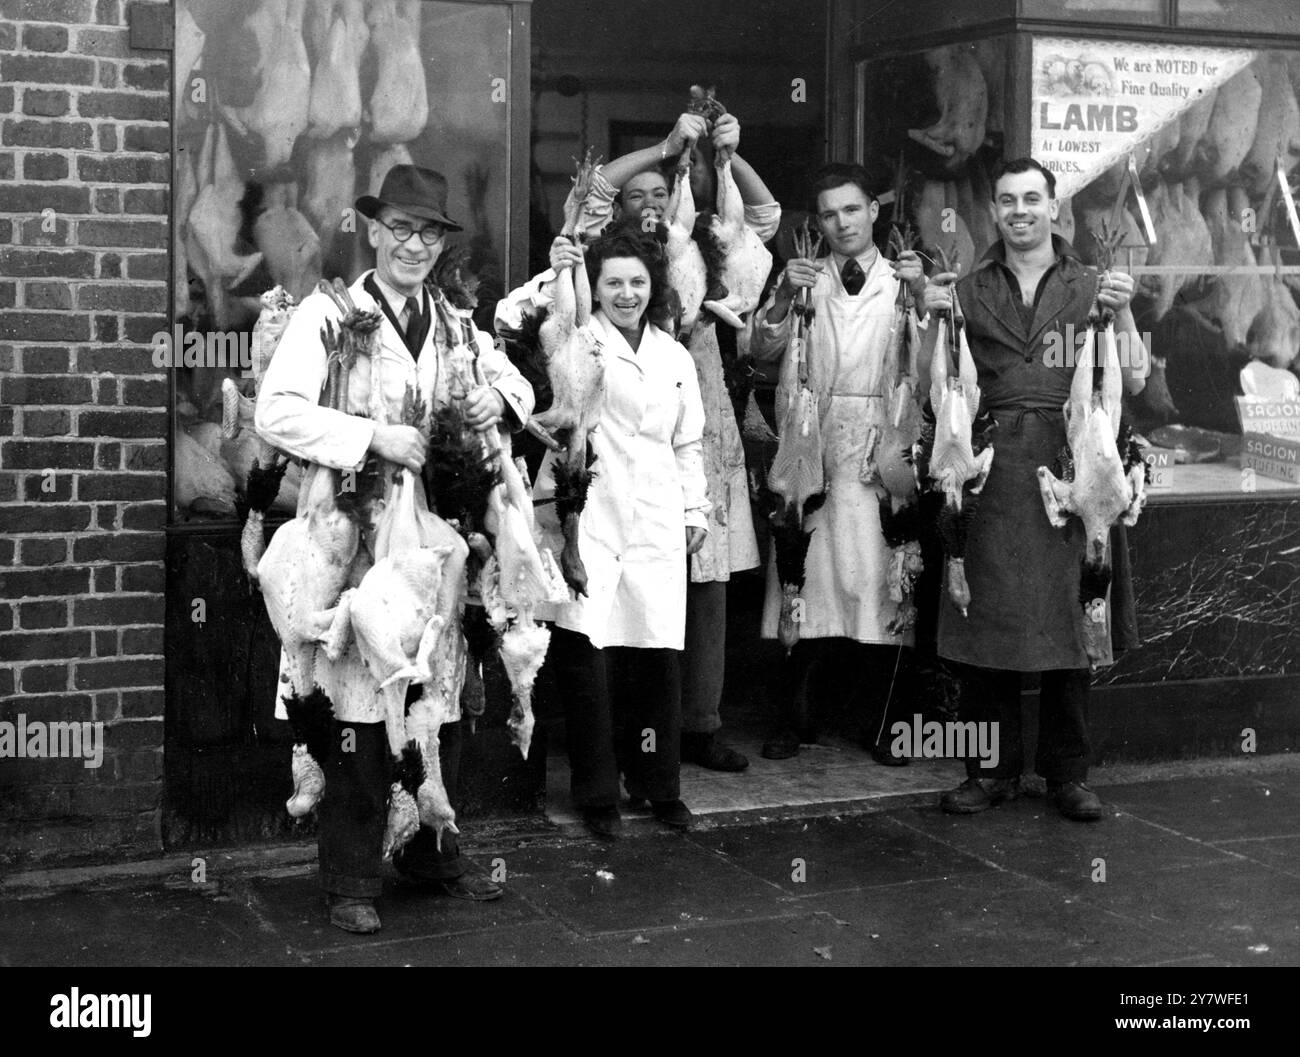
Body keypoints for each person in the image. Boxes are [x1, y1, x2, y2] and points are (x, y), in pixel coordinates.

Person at [255, 164, 535, 933]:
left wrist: (497, 398)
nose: (414, 245)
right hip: (349, 530)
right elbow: (275, 413)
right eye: (401, 229)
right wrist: (370, 436)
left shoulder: (453, 321)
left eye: (429, 233)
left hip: (430, 539)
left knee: (431, 695)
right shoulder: (329, 314)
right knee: (354, 700)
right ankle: (350, 875)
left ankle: (429, 854)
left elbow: (521, 388)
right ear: (372, 230)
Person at [498, 108, 780, 773]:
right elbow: (592, 193)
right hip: (611, 436)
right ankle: (614, 747)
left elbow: (762, 222)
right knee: (605, 594)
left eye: (663, 190)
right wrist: (662, 147)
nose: (652, 203)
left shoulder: (703, 245)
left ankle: (699, 723)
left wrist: (723, 152)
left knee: (702, 583)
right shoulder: (604, 261)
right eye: (639, 195)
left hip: (694, 424)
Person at [920, 157, 1147, 822]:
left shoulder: (1092, 285)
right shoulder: (965, 289)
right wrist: (931, 317)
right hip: (989, 466)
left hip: (1073, 464)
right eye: (1007, 200)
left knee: (1072, 621)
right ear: (993, 210)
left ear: (1054, 208)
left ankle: (1067, 774)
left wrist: (1125, 312)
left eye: (1032, 199)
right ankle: (988, 773)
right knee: (985, 622)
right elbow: (932, 386)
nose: (1019, 211)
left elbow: (1130, 377)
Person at [528, 229, 710, 840]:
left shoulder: (675, 356)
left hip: (657, 511)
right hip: (590, 510)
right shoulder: (576, 342)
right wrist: (558, 271)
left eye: (637, 281)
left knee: (655, 654)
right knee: (588, 654)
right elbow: (524, 314)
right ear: (595, 288)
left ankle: (659, 786)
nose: (627, 294)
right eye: (613, 283)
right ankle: (598, 793)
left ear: (653, 285)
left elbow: (688, 442)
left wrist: (696, 511)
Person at [751, 164, 928, 760]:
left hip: (882, 442)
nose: (841, 223)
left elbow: (934, 364)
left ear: (873, 211)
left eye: (851, 210)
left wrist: (925, 297)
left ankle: (884, 724)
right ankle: (793, 717)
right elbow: (762, 350)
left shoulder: (905, 277)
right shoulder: (804, 275)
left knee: (878, 576)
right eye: (828, 214)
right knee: (806, 572)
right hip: (814, 441)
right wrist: (781, 296)